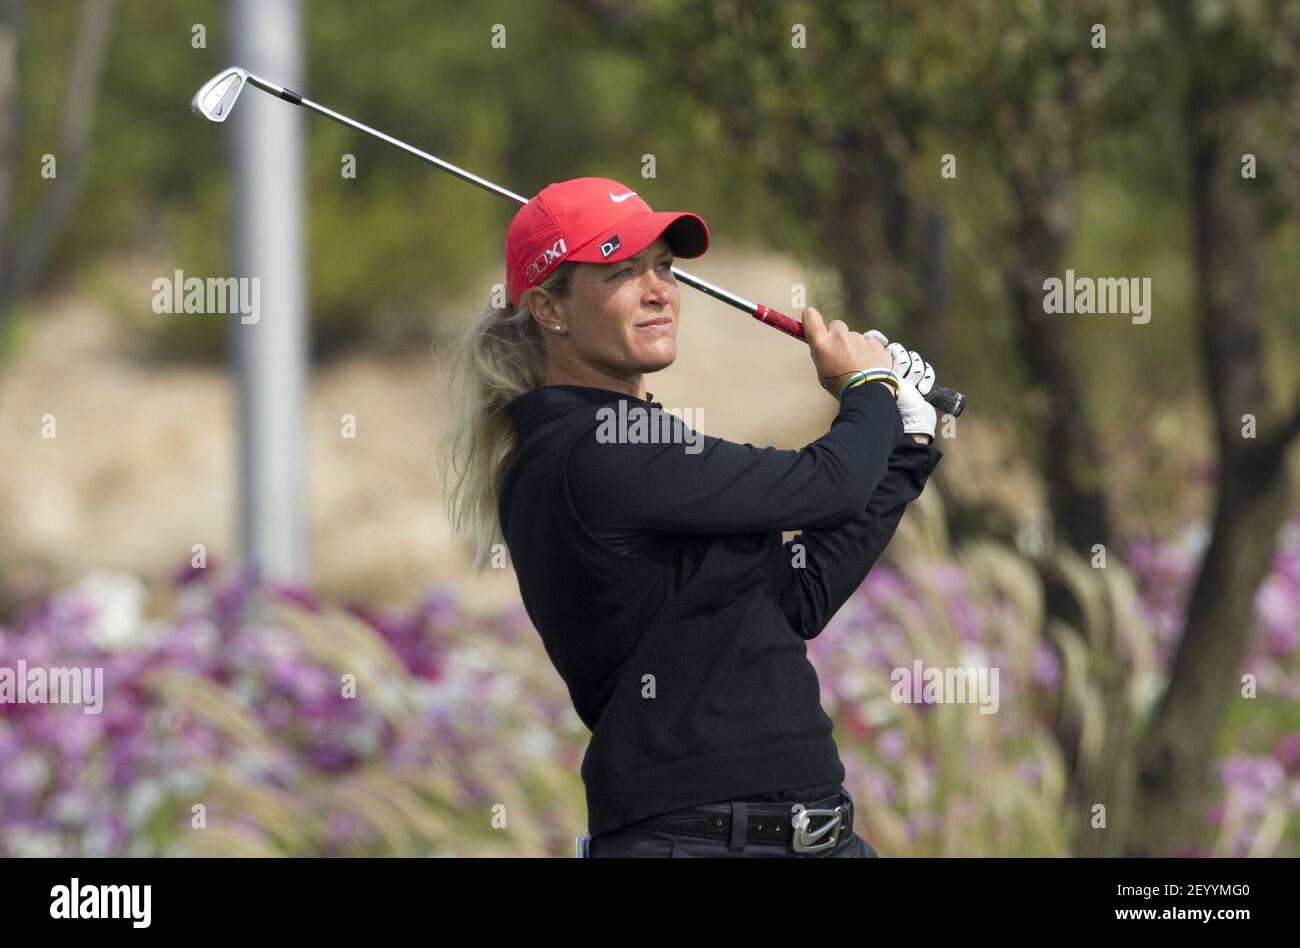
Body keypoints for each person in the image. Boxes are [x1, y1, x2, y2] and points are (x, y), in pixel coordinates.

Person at [440, 176, 943, 857]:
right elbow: (828, 484)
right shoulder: (591, 449)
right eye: (622, 271)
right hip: (699, 841)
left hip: (811, 835)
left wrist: (908, 446)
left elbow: (798, 597)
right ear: (548, 309)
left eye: (665, 269)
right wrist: (867, 387)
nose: (659, 292)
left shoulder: (623, 441)